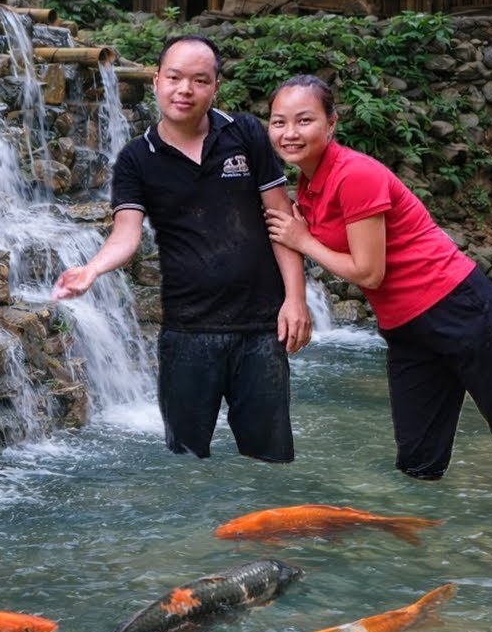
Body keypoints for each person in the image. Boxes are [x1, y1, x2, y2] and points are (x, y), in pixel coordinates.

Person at [263, 74, 492, 511]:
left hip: (461, 310)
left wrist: (305, 242)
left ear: (331, 124)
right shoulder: (308, 182)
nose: (289, 133)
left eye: (304, 120)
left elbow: (369, 272)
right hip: (408, 332)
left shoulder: (355, 175)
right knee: (419, 461)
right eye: (279, 122)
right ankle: (425, 549)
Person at [52, 35, 313, 463]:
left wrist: (296, 299)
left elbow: (282, 221)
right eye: (173, 77)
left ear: (214, 87)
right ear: (156, 81)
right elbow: (126, 234)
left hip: (261, 331)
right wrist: (92, 270)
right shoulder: (137, 159)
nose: (184, 90)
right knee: (185, 463)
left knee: (270, 463)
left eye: (199, 80)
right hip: (187, 332)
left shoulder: (245, 133)